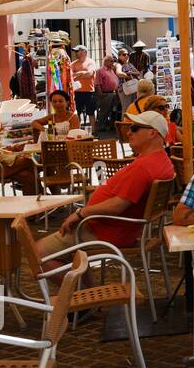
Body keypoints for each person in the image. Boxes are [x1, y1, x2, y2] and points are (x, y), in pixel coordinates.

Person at [33, 111, 175, 261]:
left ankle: (79, 285)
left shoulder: (143, 167)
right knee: (74, 257)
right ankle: (84, 284)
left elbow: (116, 206)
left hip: (104, 230)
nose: (128, 132)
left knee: (38, 253)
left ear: (152, 133)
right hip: (118, 228)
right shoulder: (163, 161)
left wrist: (81, 212)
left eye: (134, 128)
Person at [71, 46, 98, 129]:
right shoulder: (73, 64)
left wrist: (77, 74)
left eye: (77, 51)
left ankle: (93, 131)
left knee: (91, 112)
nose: (75, 53)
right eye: (75, 51)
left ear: (84, 52)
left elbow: (89, 74)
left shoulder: (90, 62)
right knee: (77, 112)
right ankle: (77, 130)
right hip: (76, 91)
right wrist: (82, 73)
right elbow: (70, 76)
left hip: (89, 91)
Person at [93, 55, 121, 133]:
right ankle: (101, 126)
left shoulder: (112, 70)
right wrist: (100, 94)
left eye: (113, 61)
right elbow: (97, 83)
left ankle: (111, 125)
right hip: (105, 93)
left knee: (113, 110)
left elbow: (115, 82)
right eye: (111, 61)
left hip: (113, 93)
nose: (112, 62)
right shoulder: (100, 70)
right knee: (104, 111)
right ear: (105, 61)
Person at [115, 48, 141, 113]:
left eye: (127, 54)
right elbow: (119, 73)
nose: (126, 56)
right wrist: (127, 76)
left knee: (133, 107)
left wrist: (131, 73)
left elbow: (138, 73)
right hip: (124, 88)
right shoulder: (118, 65)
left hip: (132, 88)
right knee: (126, 108)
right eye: (124, 54)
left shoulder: (129, 64)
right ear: (119, 56)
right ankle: (124, 122)